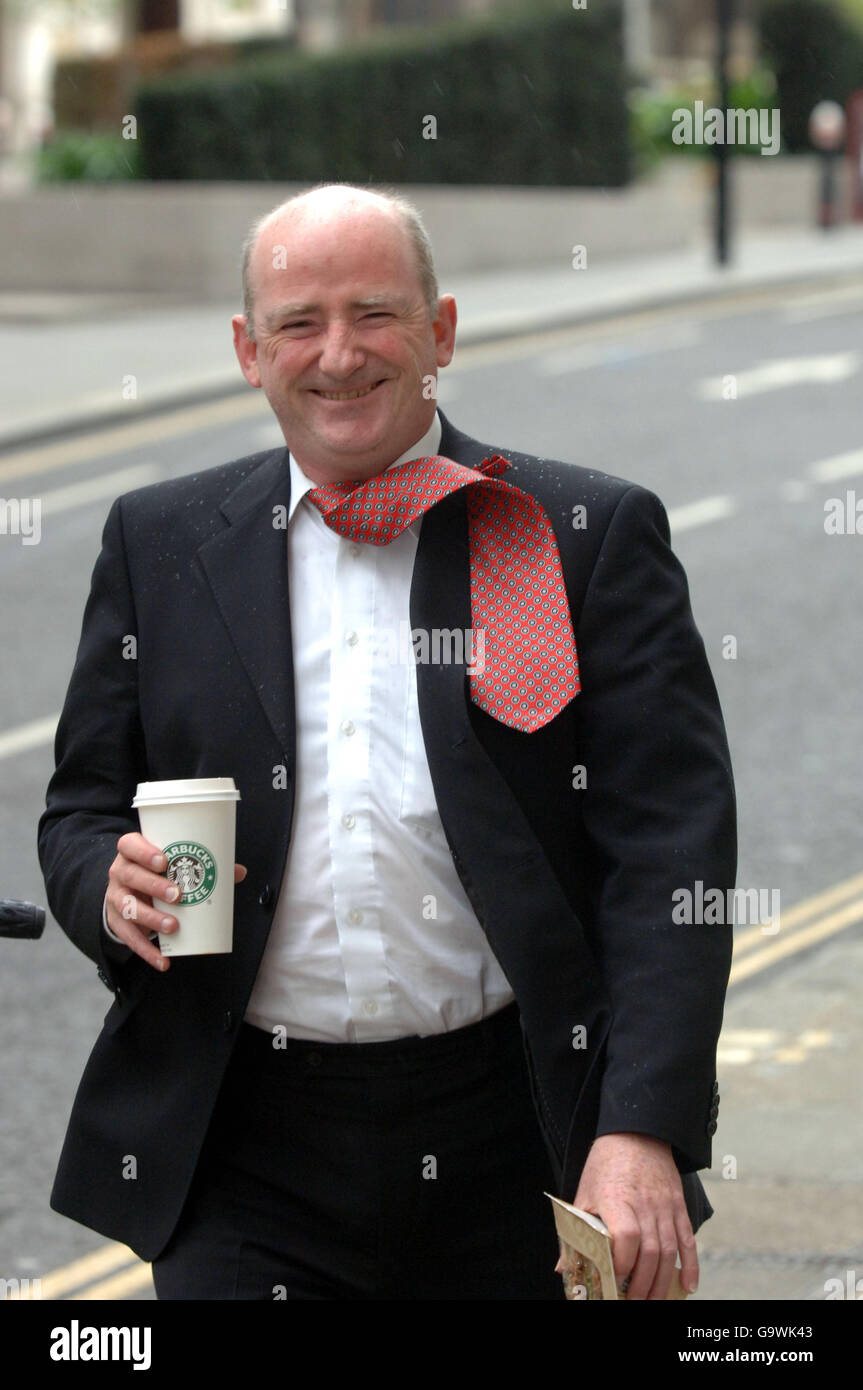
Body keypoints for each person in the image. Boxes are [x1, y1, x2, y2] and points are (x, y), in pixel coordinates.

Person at [38, 183, 736, 1301]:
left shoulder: (575, 534)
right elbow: (80, 810)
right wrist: (101, 888)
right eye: (298, 324)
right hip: (243, 1146)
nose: (339, 355)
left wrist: (639, 1126)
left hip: (515, 1135)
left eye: (375, 315)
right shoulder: (156, 542)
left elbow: (669, 858)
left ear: (440, 332)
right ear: (246, 350)